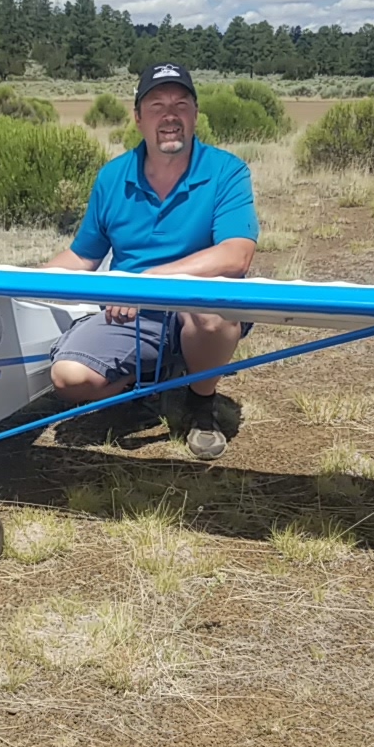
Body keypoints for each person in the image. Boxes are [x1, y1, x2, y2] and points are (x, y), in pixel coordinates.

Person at [44, 62, 259, 460]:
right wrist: (20, 282)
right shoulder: (113, 177)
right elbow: (82, 255)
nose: (170, 114)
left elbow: (236, 254)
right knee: (67, 379)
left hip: (194, 306)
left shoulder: (226, 171)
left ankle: (200, 404)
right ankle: (154, 378)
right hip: (133, 313)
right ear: (139, 118)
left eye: (180, 103)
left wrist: (144, 282)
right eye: (157, 104)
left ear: (195, 115)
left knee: (210, 315)